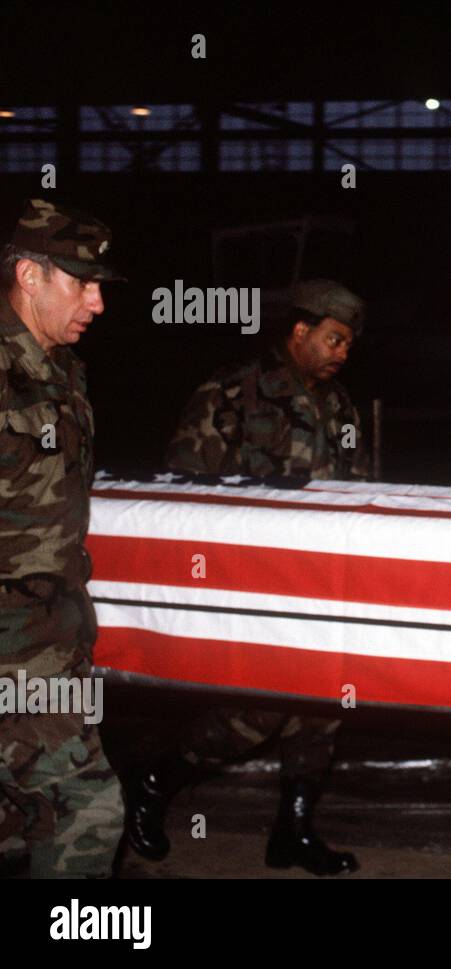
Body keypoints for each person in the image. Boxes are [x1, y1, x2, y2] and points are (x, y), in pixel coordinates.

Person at [122, 279, 367, 876]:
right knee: (261, 707)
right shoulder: (233, 391)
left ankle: (294, 831)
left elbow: (361, 491)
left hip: (318, 583)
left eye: (349, 344)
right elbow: (183, 487)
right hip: (251, 586)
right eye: (334, 339)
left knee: (321, 704)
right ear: (300, 331)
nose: (343, 353)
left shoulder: (340, 408)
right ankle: (157, 779)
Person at [0, 198, 126, 877]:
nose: (98, 302)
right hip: (10, 653)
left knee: (21, 828)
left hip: (56, 639)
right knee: (87, 806)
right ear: (30, 275)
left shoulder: (63, 371)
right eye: (83, 282)